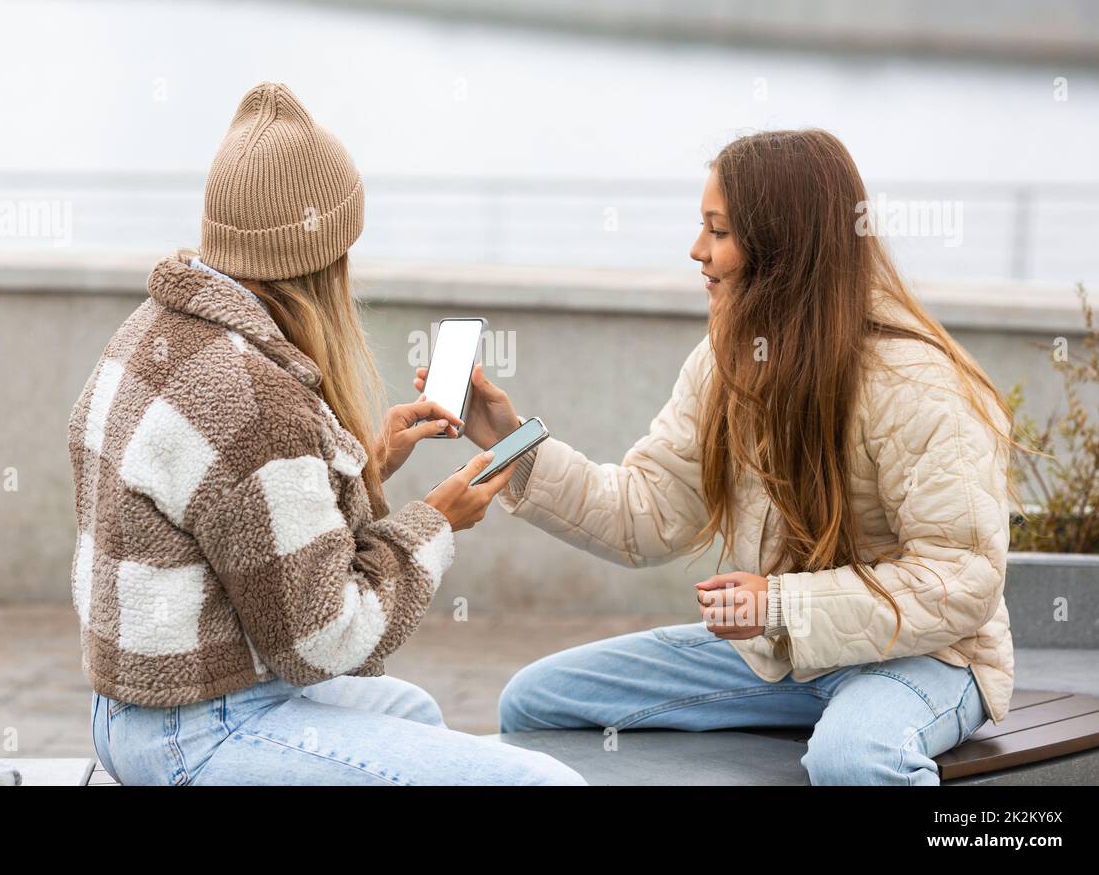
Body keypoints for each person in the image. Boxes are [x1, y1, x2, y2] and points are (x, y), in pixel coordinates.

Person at [420, 129, 1021, 785]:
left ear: (781, 247)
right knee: (540, 701)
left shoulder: (912, 380)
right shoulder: (723, 364)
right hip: (787, 657)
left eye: (719, 231)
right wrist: (514, 445)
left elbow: (960, 578)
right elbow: (643, 516)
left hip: (929, 659)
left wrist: (783, 604)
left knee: (855, 757)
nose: (697, 250)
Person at [69, 81, 585, 785]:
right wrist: (435, 522)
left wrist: (366, 466)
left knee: (410, 712)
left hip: (128, 707)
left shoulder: (153, 334)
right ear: (325, 254)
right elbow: (323, 637)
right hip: (197, 726)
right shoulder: (256, 401)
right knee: (543, 784)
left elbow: (234, 519)